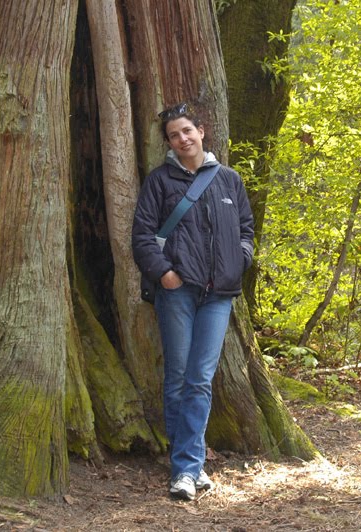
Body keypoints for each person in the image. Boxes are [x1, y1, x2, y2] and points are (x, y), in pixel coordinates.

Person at [131, 103, 254, 500]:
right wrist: (165, 273)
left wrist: (239, 263)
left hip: (219, 294)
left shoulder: (229, 181)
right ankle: (187, 466)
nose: (182, 139)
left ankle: (187, 465)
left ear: (202, 131)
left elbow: (247, 231)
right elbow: (143, 236)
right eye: (173, 135)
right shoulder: (160, 182)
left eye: (187, 131)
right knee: (180, 378)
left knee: (200, 379)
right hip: (178, 291)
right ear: (168, 143)